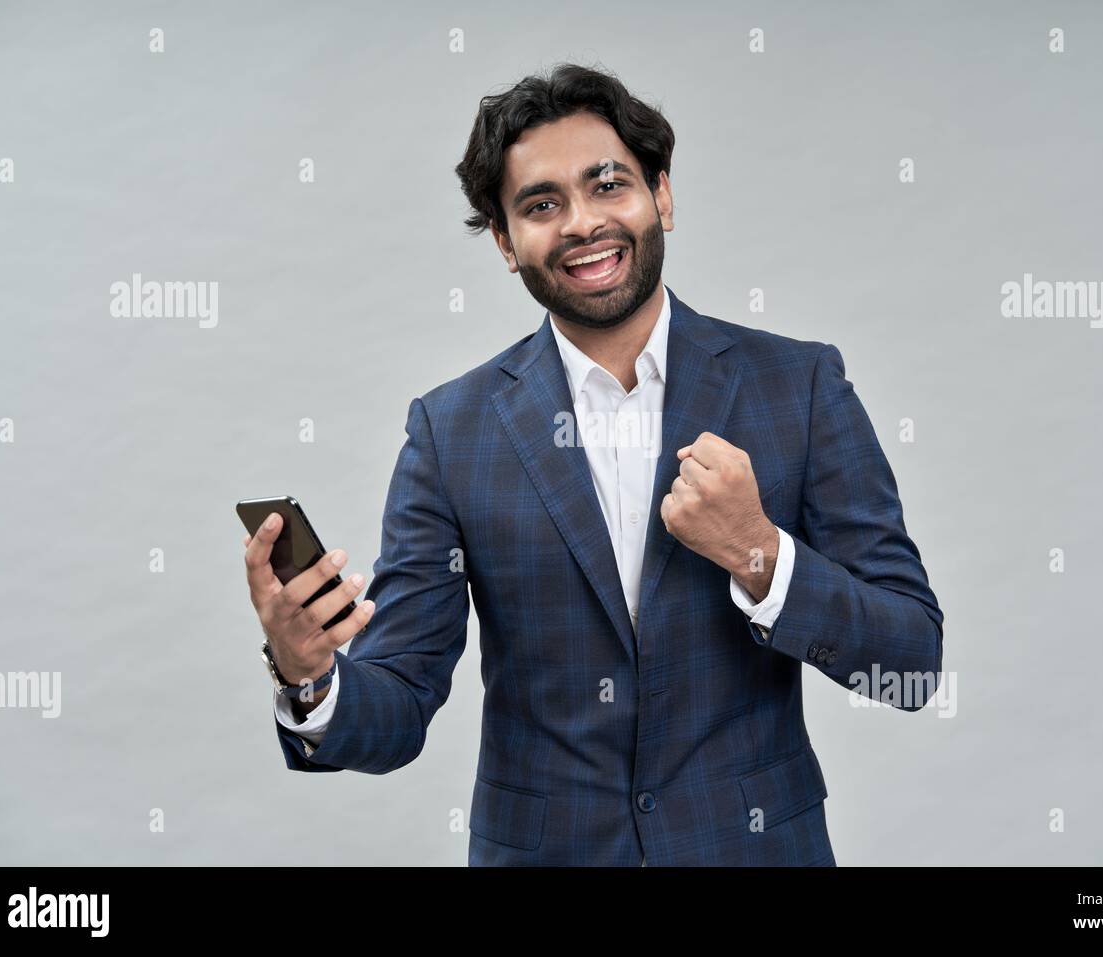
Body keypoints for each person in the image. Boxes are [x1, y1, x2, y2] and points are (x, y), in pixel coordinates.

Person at [242, 62, 944, 866]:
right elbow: (399, 702)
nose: (582, 223)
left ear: (662, 197)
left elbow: (911, 664)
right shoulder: (451, 431)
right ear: (506, 243)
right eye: (542, 205)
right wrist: (308, 673)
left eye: (608, 185)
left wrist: (759, 551)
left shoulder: (799, 386)